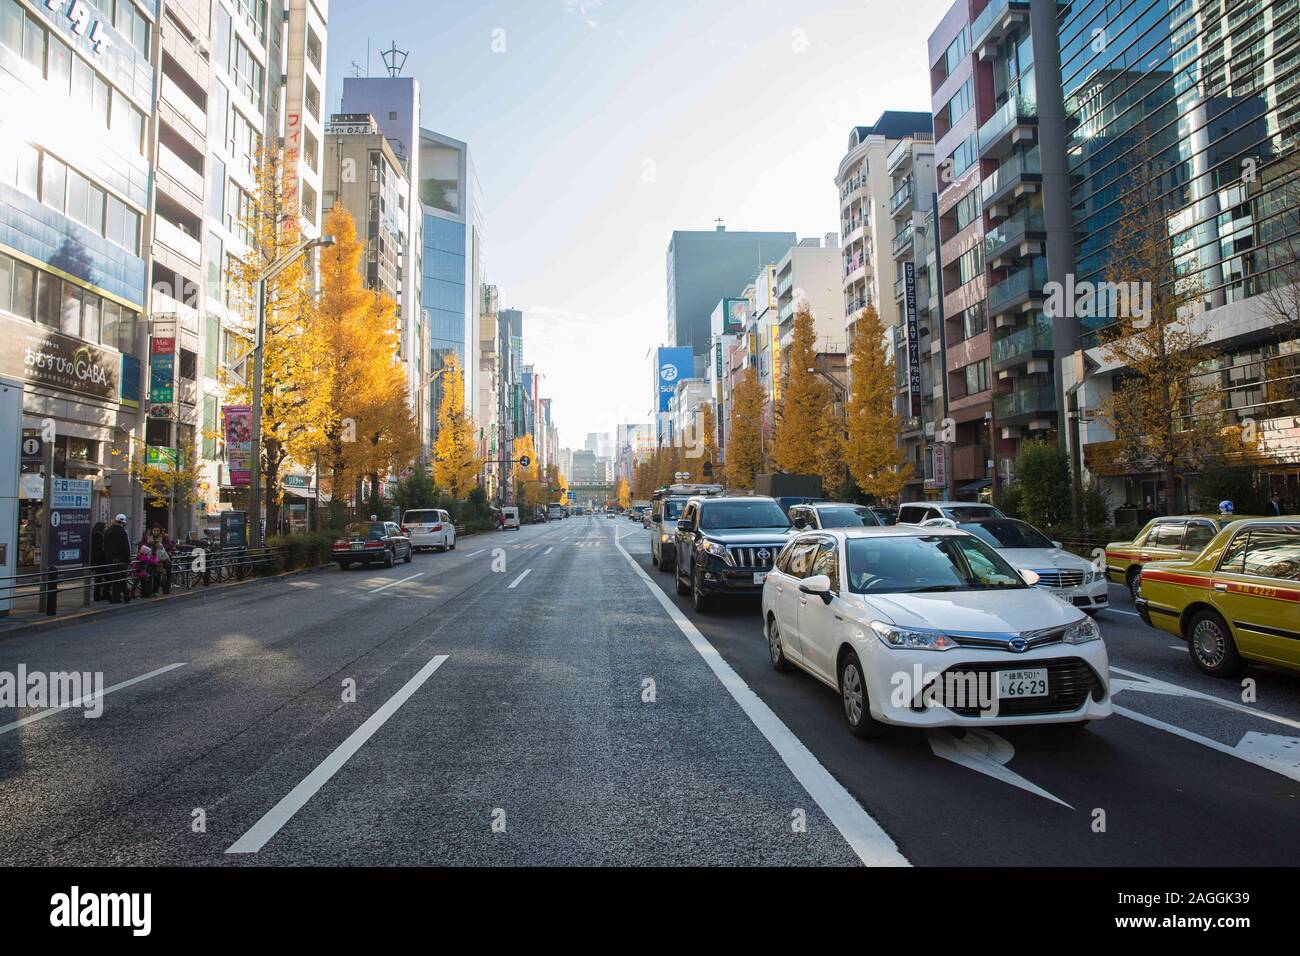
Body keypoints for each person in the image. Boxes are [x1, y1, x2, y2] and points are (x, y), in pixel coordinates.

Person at [103, 514, 133, 604]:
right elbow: (126, 547)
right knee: (121, 578)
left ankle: (124, 597)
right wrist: (128, 558)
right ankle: (118, 598)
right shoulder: (123, 532)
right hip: (121, 559)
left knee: (115, 578)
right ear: (123, 523)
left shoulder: (108, 531)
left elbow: (105, 546)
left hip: (110, 558)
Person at [139, 525, 174, 595]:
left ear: (160, 531)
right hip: (149, 558)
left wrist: (161, 545)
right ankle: (148, 591)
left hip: (159, 559)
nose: (155, 532)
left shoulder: (164, 537)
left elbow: (169, 545)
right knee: (148, 574)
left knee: (158, 574)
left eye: (157, 531)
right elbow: (141, 545)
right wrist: (148, 544)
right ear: (151, 531)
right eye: (154, 531)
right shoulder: (146, 537)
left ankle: (155, 590)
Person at [90, 521, 107, 602]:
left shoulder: (94, 535)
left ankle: (99, 595)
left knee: (99, 578)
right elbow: (98, 550)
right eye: (104, 527)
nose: (105, 528)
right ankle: (98, 595)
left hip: (97, 560)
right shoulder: (98, 536)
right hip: (100, 560)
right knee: (99, 578)